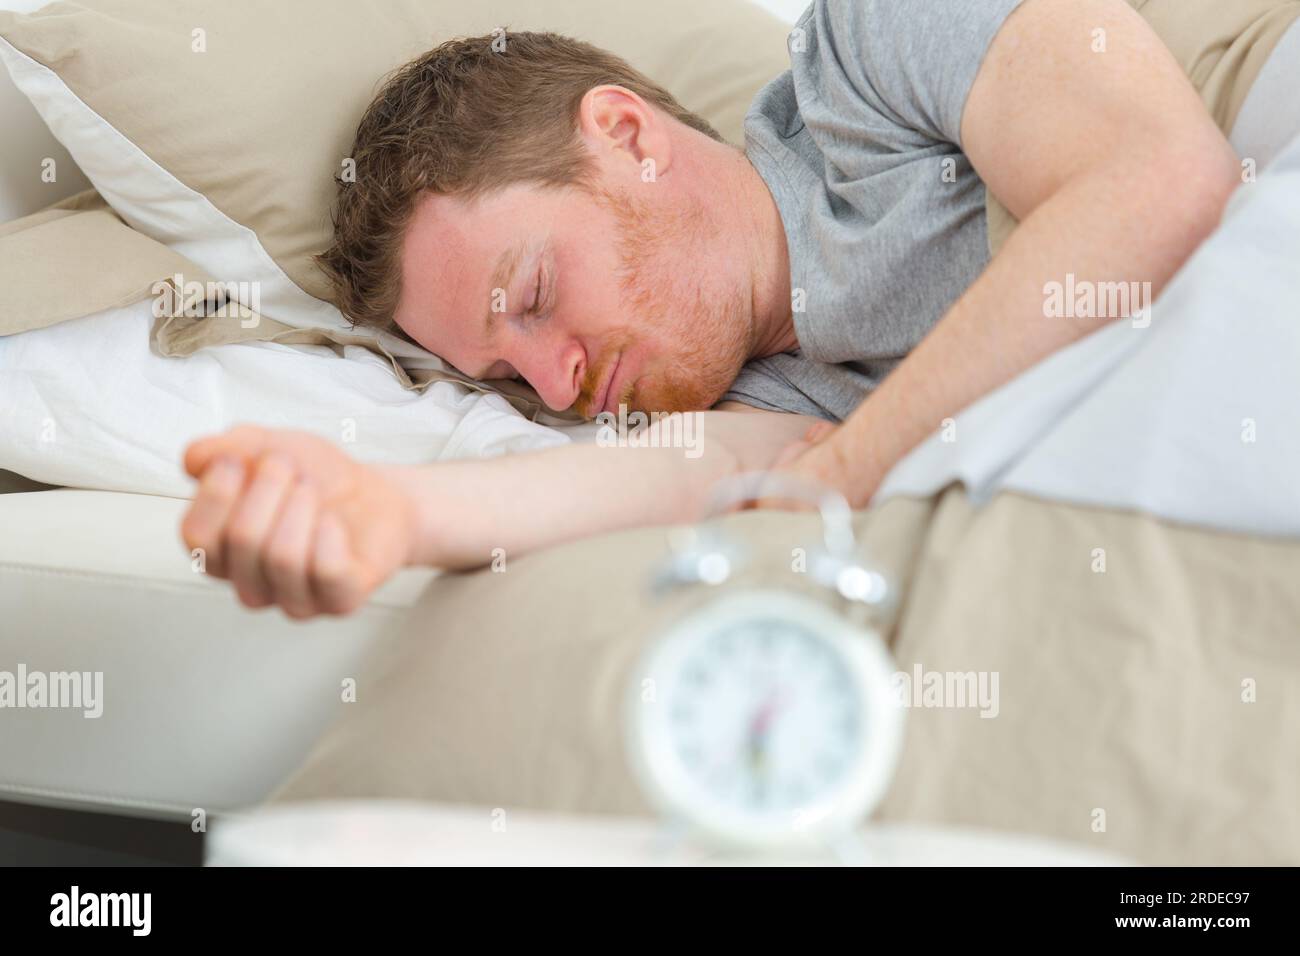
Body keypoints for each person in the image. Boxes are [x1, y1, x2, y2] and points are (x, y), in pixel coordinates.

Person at [181, 0, 1243, 618]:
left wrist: (839, 471)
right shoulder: (753, 394)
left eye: (536, 297)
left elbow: (1159, 179)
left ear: (628, 137)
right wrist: (393, 512)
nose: (558, 384)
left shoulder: (870, 51)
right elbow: (671, 477)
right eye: (508, 377)